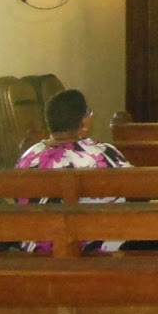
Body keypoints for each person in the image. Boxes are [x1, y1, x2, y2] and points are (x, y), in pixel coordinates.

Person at [15, 88, 130, 253]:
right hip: (91, 248)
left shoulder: (30, 154)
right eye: (88, 113)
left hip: (38, 247)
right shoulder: (102, 153)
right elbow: (133, 189)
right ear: (83, 125)